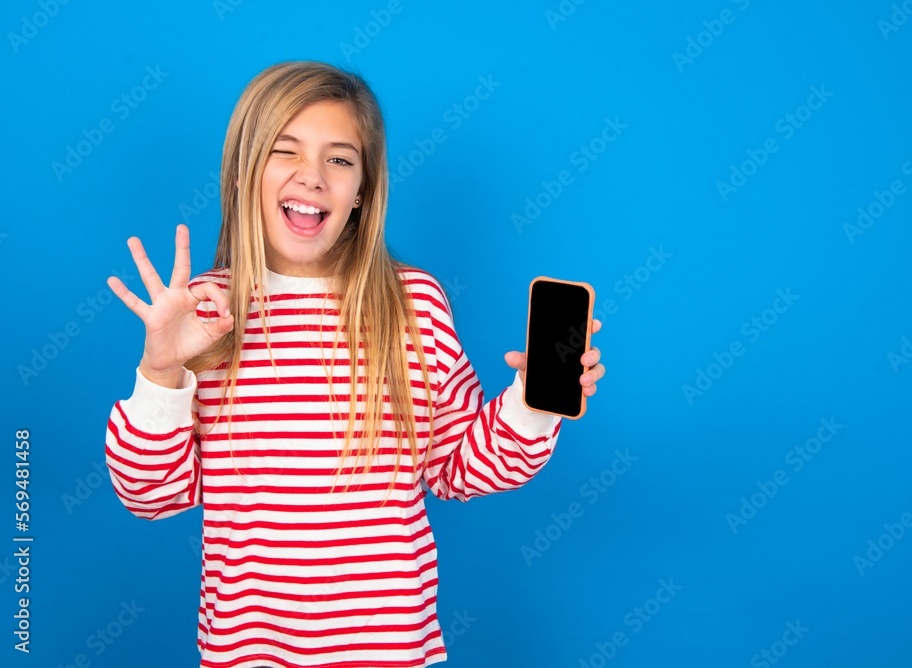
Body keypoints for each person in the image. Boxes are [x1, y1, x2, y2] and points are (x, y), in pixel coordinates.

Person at [104, 60, 606, 668]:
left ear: (364, 188)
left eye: (339, 159)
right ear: (242, 173)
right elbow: (149, 494)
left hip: (392, 652)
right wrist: (161, 369)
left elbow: (456, 468)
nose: (312, 176)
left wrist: (531, 401)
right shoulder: (204, 312)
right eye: (284, 151)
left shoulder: (414, 304)